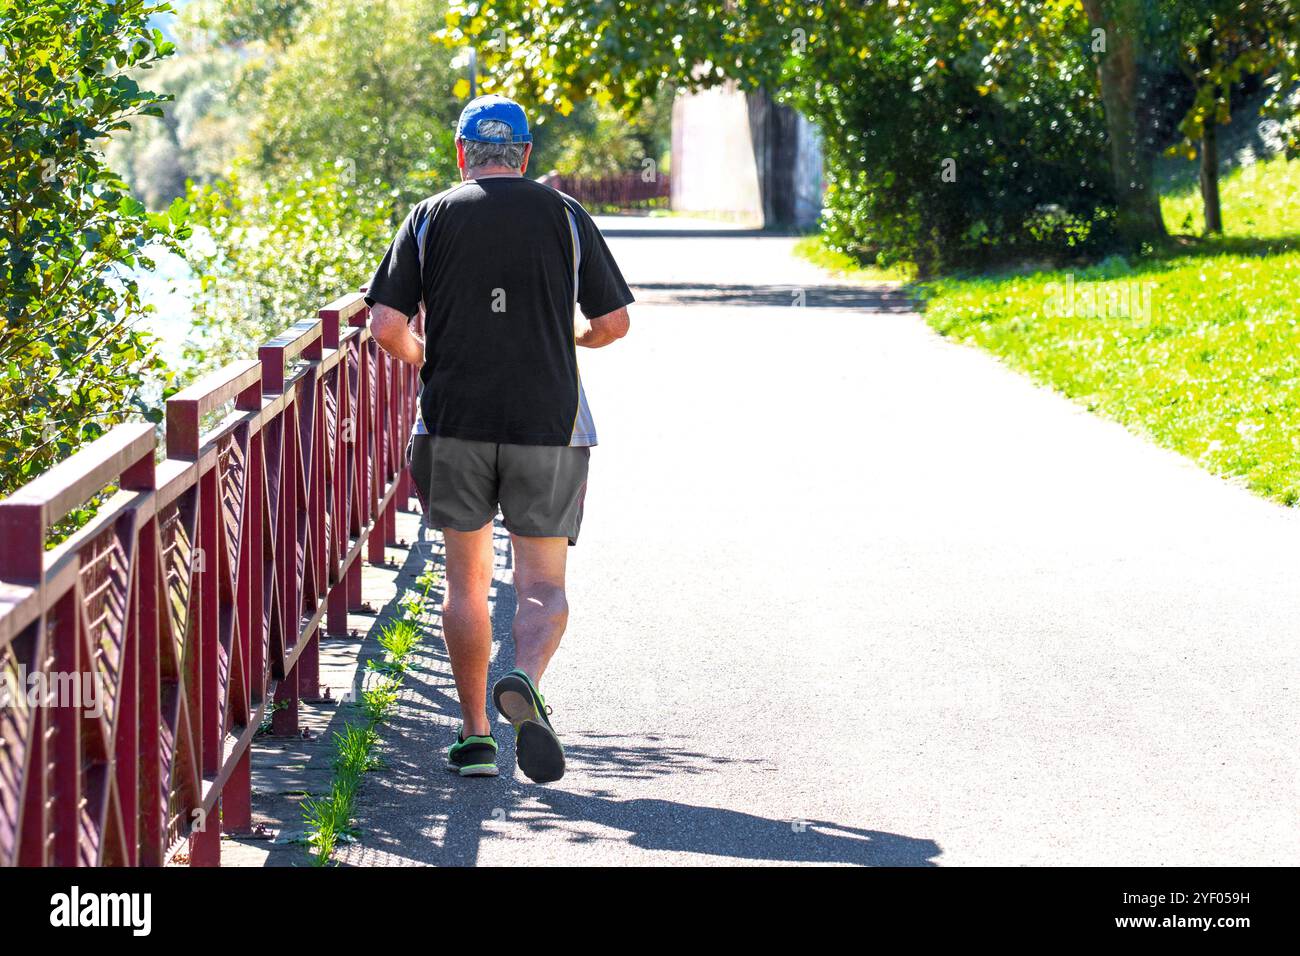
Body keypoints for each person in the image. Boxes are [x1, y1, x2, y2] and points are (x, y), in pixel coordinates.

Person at [365, 95, 633, 783]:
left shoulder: (428, 217)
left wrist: (432, 354)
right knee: (542, 585)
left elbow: (387, 328)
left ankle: (476, 736)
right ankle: (525, 677)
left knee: (466, 586)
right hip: (550, 424)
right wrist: (566, 337)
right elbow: (613, 325)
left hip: (454, 422)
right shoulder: (567, 216)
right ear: (525, 156)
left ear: (461, 154)